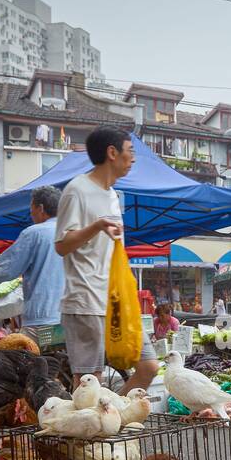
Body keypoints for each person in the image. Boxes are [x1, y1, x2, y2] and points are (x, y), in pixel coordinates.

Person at [54, 127, 160, 392]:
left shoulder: (112, 195)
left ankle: (115, 418)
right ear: (112, 153)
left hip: (115, 299)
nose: (133, 158)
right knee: (89, 381)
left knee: (148, 367)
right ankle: (90, 432)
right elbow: (61, 245)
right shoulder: (77, 189)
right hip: (85, 299)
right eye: (130, 151)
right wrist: (97, 226)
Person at [0, 186, 65, 352]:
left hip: (43, 318)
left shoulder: (34, 234)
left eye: (31, 208)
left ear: (40, 208)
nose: (30, 213)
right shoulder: (75, 232)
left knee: (18, 362)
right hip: (73, 316)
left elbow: (5, 268)